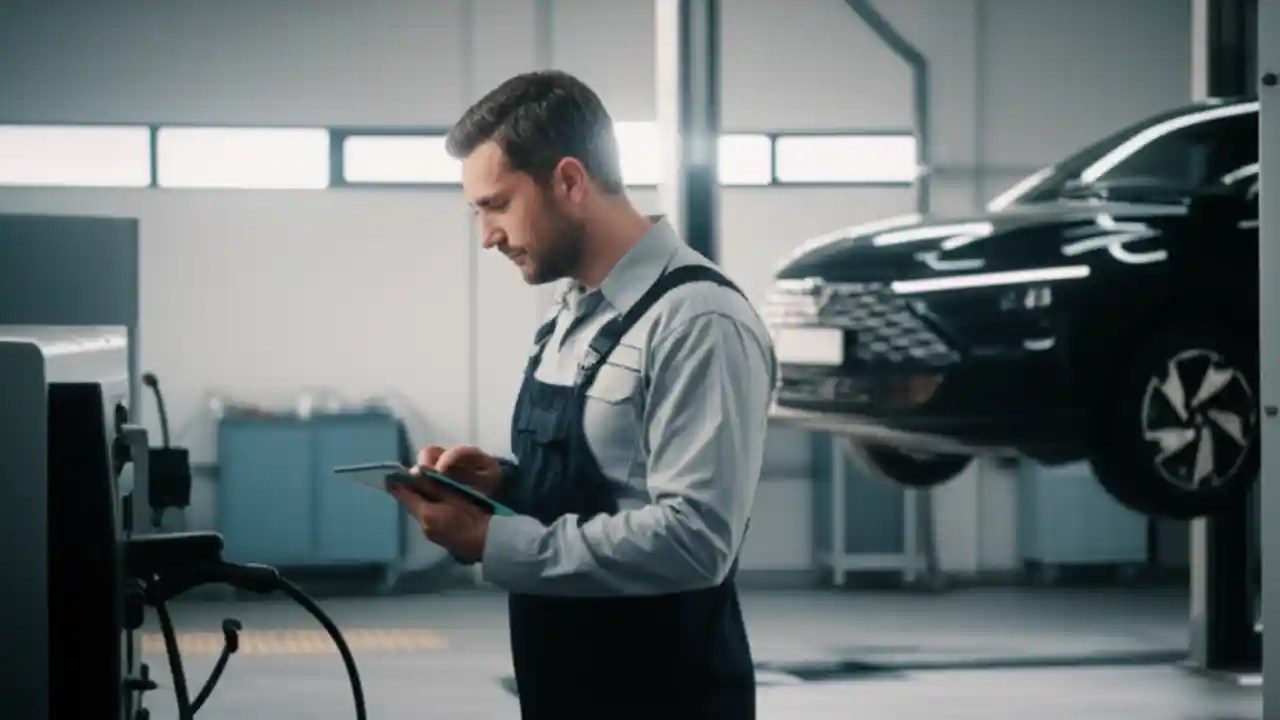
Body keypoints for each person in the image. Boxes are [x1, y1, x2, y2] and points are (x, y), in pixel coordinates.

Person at [386, 69, 777, 719]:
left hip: (665, 697)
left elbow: (696, 540)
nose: (486, 236)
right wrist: (504, 489)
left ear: (569, 182)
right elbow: (609, 490)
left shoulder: (699, 322)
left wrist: (494, 541)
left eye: (497, 205)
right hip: (567, 688)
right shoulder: (569, 316)